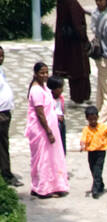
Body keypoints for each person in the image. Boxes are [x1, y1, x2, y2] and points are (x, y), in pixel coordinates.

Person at [25, 62, 68, 199]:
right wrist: (48, 131)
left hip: (50, 127)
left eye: (46, 72)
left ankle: (52, 185)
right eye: (41, 73)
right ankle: (43, 189)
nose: (44, 75)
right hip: (41, 130)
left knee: (51, 158)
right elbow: (40, 113)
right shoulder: (36, 90)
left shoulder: (44, 88)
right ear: (35, 74)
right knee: (43, 159)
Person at [52, 0, 91, 104]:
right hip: (74, 44)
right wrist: (84, 39)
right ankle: (79, 97)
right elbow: (77, 24)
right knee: (79, 70)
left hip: (66, 42)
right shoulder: (71, 2)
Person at [79, 104, 107, 198]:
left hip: (101, 152)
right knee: (93, 169)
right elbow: (83, 138)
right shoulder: (86, 129)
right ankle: (100, 184)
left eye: (94, 119)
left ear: (97, 117)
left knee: (98, 169)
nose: (93, 121)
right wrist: (82, 145)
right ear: (87, 119)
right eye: (90, 119)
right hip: (91, 152)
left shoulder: (103, 127)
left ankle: (95, 189)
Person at [0, 47, 21, 187]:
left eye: (2, 55)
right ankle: (6, 174)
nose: (1, 58)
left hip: (5, 111)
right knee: (2, 145)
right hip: (1, 113)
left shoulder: (1, 70)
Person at [46, 76, 66, 155]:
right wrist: (56, 117)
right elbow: (47, 112)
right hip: (54, 123)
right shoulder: (49, 99)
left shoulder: (61, 98)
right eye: (60, 88)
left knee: (62, 141)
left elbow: (61, 109)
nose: (62, 90)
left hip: (61, 122)